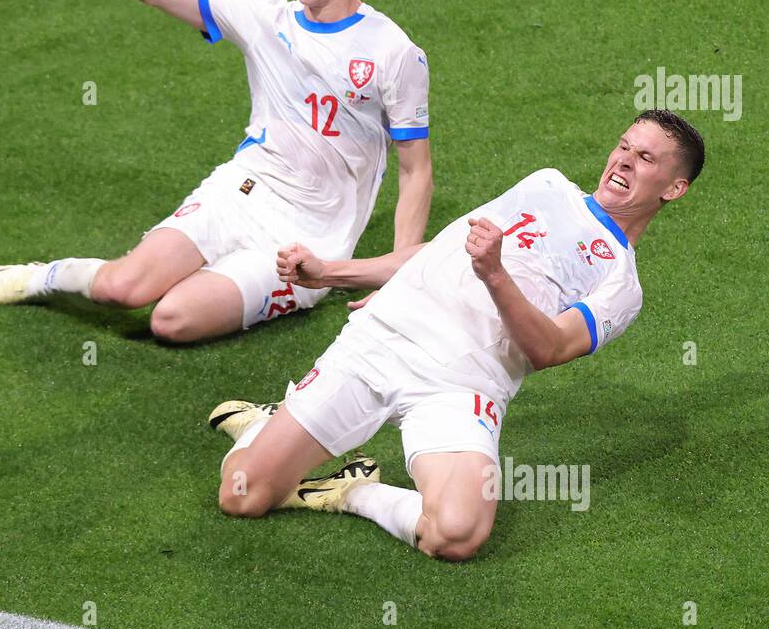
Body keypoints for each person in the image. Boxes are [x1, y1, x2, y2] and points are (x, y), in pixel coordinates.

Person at [0, 0, 433, 344]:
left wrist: (394, 270)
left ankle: (212, 274)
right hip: (241, 192)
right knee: (123, 289)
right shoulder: (264, 19)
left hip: (308, 241)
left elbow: (416, 169)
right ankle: (39, 278)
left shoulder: (394, 52)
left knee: (169, 321)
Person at [210, 110, 704, 560]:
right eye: (624, 146)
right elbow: (441, 248)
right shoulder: (547, 187)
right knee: (242, 494)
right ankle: (265, 423)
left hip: (463, 389)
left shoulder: (621, 284)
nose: (623, 162)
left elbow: (550, 347)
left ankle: (351, 492)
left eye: (645, 158)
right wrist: (329, 272)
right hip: (381, 341)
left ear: (673, 188)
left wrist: (495, 274)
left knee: (457, 533)